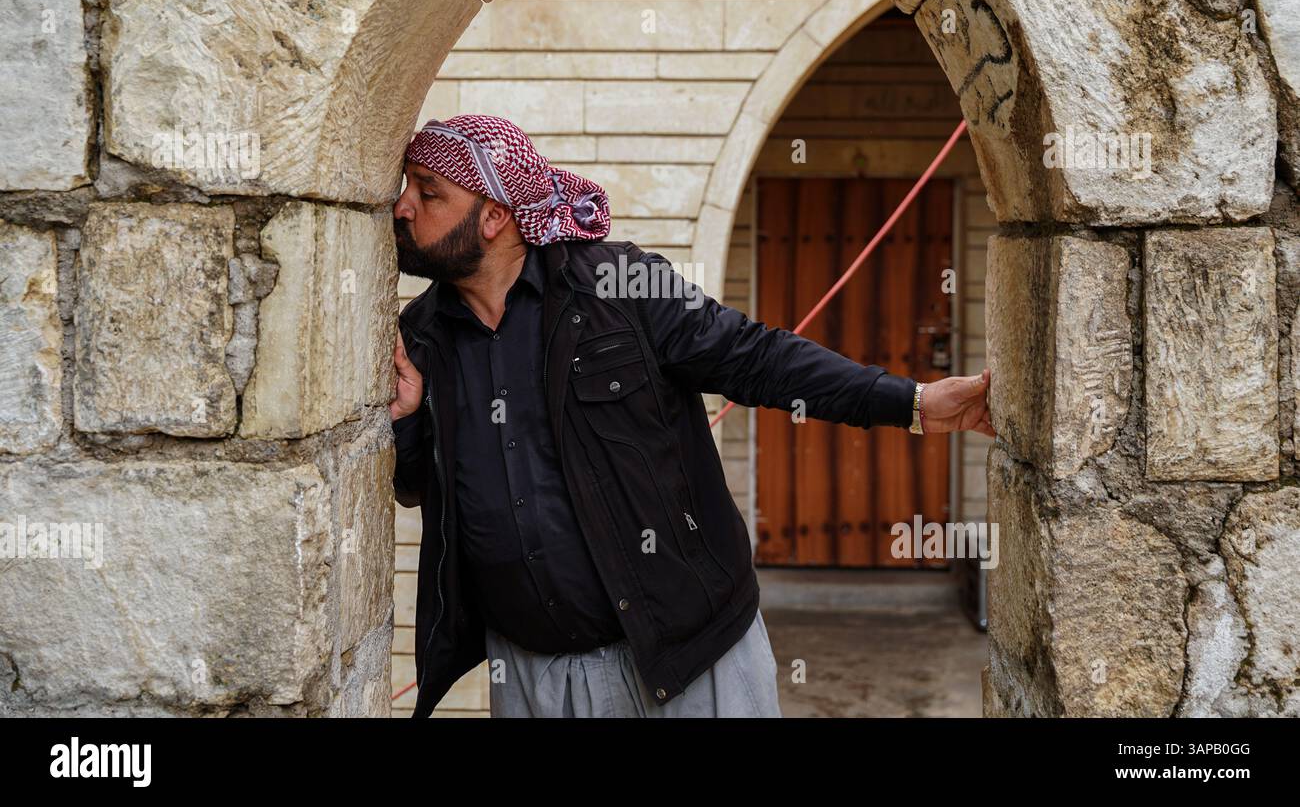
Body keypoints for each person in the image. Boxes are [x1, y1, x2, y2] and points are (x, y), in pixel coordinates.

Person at [390, 114, 996, 718]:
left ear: (495, 216)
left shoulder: (617, 286)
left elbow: (757, 359)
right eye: (407, 188)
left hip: (690, 659)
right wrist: (408, 418)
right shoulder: (421, 338)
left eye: (428, 192)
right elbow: (419, 488)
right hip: (534, 675)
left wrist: (912, 402)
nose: (404, 207)